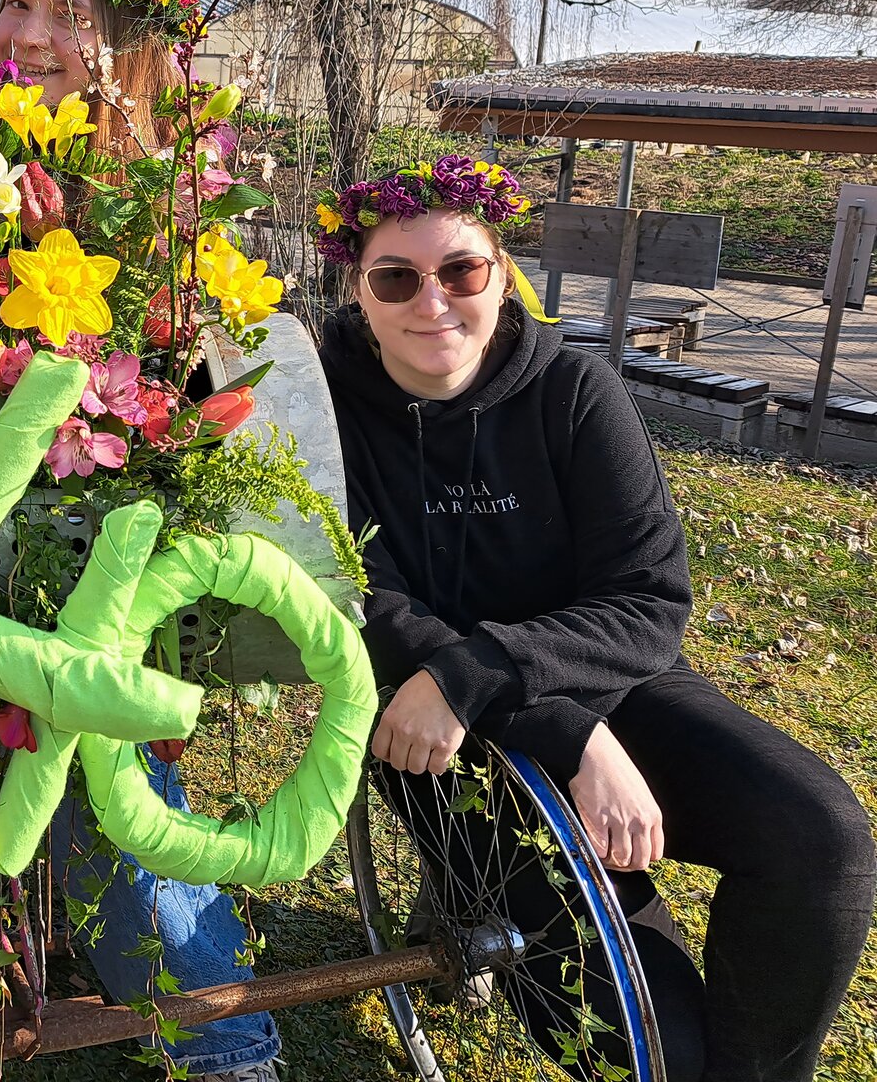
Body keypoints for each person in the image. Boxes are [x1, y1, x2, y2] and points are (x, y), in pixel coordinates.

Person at [315, 155, 875, 1082]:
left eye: (461, 270)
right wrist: (562, 734)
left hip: (611, 690)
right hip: (439, 735)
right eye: (396, 278)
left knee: (821, 839)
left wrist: (554, 708)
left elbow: (647, 596)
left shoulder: (573, 391)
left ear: (501, 274)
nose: (433, 301)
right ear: (359, 293)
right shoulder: (325, 411)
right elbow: (359, 601)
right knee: (664, 1058)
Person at [0, 0, 284, 1082]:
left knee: (93, 751)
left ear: (127, 37)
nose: (37, 32)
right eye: (16, 4)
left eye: (73, 12)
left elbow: (195, 367)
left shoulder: (166, 179)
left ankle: (226, 1042)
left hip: (111, 516)